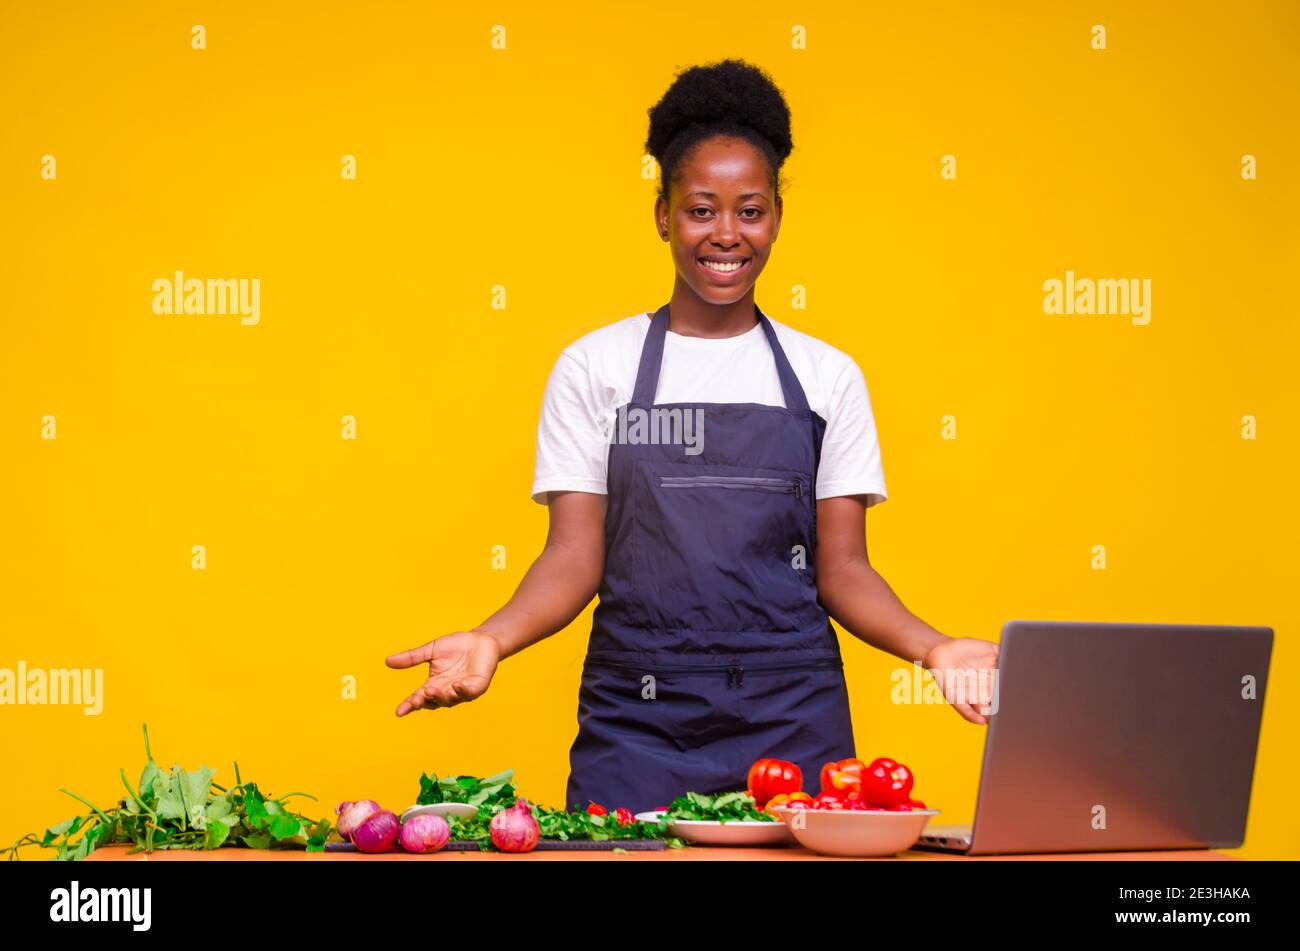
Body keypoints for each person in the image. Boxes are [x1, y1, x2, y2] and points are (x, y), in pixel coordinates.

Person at [387, 58, 999, 812]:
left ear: (777, 216)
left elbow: (843, 569)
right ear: (662, 215)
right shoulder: (597, 366)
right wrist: (493, 638)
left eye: (751, 210)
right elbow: (575, 556)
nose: (727, 235)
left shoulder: (825, 376)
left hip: (793, 719)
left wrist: (934, 647)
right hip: (637, 726)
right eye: (701, 209)